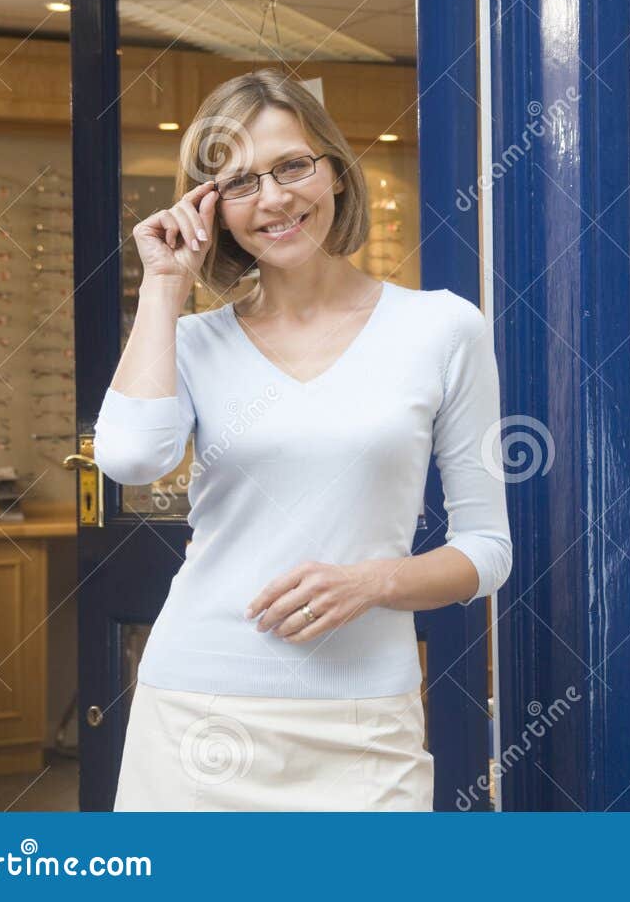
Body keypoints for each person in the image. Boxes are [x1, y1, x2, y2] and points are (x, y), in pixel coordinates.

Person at [97, 69, 512, 811]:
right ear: (211, 210)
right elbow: (131, 456)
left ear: (336, 174)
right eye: (241, 183)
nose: (276, 199)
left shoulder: (443, 328)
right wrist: (162, 284)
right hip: (198, 710)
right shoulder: (190, 340)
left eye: (293, 166)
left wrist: (372, 581)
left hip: (364, 724)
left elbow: (487, 549)